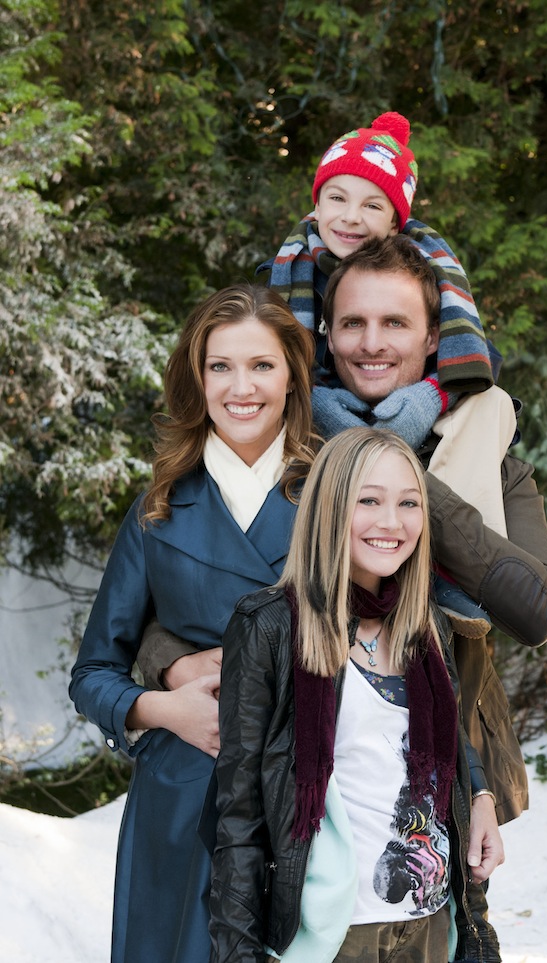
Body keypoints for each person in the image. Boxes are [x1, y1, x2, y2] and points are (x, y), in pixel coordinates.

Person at [138, 237, 547, 960]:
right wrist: (168, 664)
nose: (372, 343)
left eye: (396, 323)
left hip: (445, 776)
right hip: (307, 807)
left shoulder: (483, 451)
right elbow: (188, 591)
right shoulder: (278, 443)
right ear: (325, 339)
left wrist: (396, 472)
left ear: (433, 336)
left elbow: (540, 610)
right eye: (352, 324)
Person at [68, 283, 317, 963]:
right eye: (221, 366)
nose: (243, 386)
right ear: (197, 377)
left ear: (293, 373)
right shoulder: (158, 508)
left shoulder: (333, 497)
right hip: (181, 800)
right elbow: (92, 673)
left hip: (306, 802)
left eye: (262, 365)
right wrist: (164, 708)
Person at [209, 427, 505, 963]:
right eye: (369, 500)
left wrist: (476, 926)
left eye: (408, 503)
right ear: (330, 509)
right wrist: (236, 952)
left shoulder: (426, 629)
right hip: (332, 936)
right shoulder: (271, 629)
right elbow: (239, 814)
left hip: (429, 925)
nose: (391, 522)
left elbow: (446, 791)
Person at [260, 110, 519, 627]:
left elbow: (474, 354)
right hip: (317, 411)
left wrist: (431, 396)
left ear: (396, 222)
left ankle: (454, 570)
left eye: (371, 204)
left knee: (491, 404)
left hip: (420, 414)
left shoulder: (426, 267)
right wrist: (315, 403)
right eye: (336, 198)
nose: (350, 217)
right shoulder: (287, 271)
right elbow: (266, 359)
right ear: (315, 204)